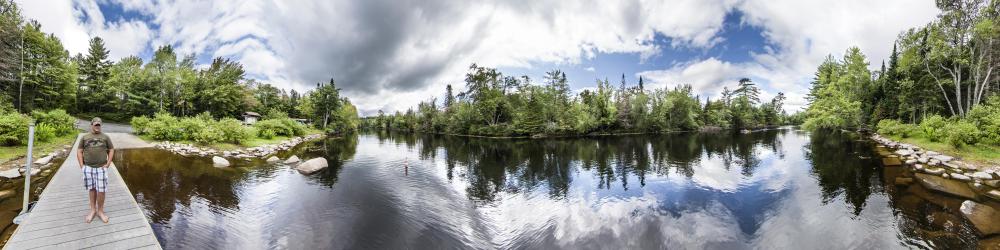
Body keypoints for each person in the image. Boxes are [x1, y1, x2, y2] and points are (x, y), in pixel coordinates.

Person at [77, 117, 114, 223]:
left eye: (99, 125)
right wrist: (81, 165)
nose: (97, 126)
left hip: (101, 168)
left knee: (101, 191)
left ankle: (100, 211)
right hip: (88, 168)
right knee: (92, 189)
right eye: (95, 124)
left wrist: (108, 163)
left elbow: (111, 149)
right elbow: (79, 151)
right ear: (91, 125)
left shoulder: (105, 137)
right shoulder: (85, 137)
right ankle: (93, 210)